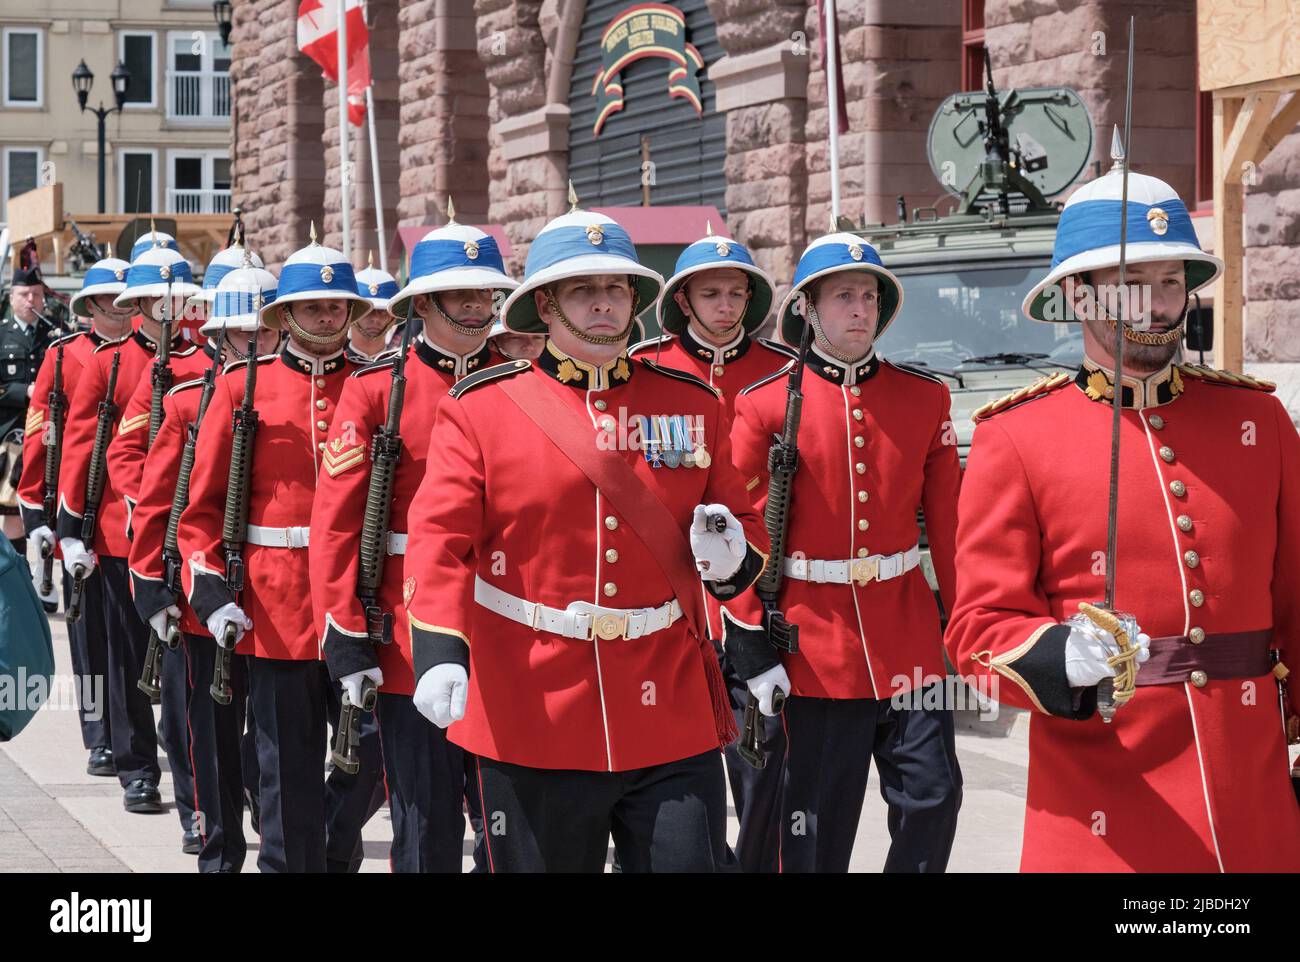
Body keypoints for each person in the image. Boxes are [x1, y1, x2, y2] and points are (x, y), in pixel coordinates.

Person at [945, 166, 1300, 871]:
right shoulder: (1016, 437)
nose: (1161, 305)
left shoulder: (1257, 420)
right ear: (1077, 293)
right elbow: (977, 633)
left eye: (1173, 282)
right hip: (1101, 806)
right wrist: (1054, 655)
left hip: (1249, 798)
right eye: (1137, 283)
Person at [402, 196, 770, 872]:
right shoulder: (480, 408)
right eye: (583, 289)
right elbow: (438, 538)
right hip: (534, 705)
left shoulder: (694, 405)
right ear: (544, 306)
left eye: (614, 286)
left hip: (669, 703)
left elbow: (743, 525)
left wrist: (733, 557)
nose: (604, 301)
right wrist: (439, 649)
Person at [720, 231, 963, 872]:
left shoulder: (923, 397)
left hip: (909, 638)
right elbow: (737, 529)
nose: (861, 309)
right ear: (809, 309)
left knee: (934, 797)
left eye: (870, 296)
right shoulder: (765, 402)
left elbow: (953, 526)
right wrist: (747, 636)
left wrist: (967, 628)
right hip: (814, 644)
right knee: (816, 825)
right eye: (845, 297)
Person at [310, 216, 517, 872]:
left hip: (509, 634)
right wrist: (345, 637)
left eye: (486, 295)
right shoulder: (375, 391)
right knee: (424, 826)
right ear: (423, 304)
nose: (478, 308)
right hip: (407, 638)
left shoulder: (523, 384)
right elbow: (338, 524)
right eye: (462, 296)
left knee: (509, 829)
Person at [178, 227, 383, 872]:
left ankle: (319, 840)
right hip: (276, 609)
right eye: (314, 308)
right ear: (285, 316)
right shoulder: (242, 387)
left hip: (362, 603)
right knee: (284, 767)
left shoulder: (380, 387)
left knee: (375, 759)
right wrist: (210, 593)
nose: (328, 317)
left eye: (338, 307)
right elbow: (201, 509)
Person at [628, 226, 793, 872]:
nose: (726, 306)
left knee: (760, 773)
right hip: (673, 608)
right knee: (676, 781)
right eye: (711, 294)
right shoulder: (648, 372)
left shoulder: (784, 374)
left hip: (757, 599)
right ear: (684, 302)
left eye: (736, 294)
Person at [128, 260, 280, 867]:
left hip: (273, 599)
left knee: (270, 738)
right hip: (203, 592)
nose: (258, 344)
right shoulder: (190, 400)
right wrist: (152, 587)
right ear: (219, 339)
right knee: (210, 734)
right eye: (245, 335)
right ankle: (217, 844)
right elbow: (161, 496)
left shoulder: (299, 399)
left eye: (267, 332)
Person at [56, 241, 200, 815]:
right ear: (136, 302)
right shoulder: (108, 361)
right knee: (125, 656)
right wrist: (70, 528)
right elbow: (81, 448)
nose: (164, 307)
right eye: (153, 298)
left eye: (174, 297)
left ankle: (192, 766)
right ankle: (137, 766)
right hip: (122, 533)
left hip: (187, 538)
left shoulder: (206, 364)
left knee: (179, 663)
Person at [17, 258, 135, 775]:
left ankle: (132, 731)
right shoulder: (64, 356)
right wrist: (39, 509)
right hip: (77, 509)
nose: (116, 308)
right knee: (87, 636)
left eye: (124, 298)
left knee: (130, 638)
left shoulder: (146, 356)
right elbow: (43, 431)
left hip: (128, 512)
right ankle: (99, 736)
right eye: (106, 300)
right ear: (90, 307)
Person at [1, 265, 62, 553]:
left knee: (48, 506)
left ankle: (46, 591)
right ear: (11, 297)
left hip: (51, 433)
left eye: (36, 295)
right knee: (14, 511)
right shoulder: (2, 335)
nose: (31, 301)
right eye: (24, 294)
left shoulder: (55, 334)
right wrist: (23, 391)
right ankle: (19, 578)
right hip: (13, 434)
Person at [348, 255, 400, 363]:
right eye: (367, 311)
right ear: (350, 313)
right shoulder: (333, 368)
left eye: (383, 312)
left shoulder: (402, 367)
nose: (375, 318)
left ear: (393, 317)